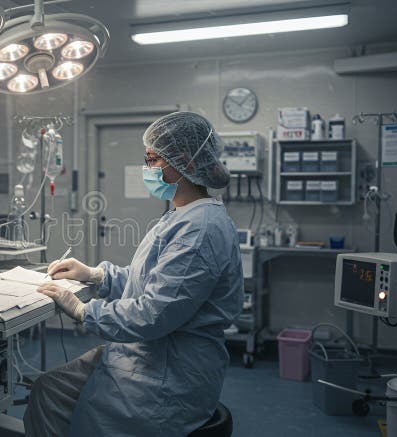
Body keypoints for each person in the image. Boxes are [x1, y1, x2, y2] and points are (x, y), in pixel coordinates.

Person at [24, 112, 244, 437]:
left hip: (166, 378)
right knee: (48, 389)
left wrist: (84, 310)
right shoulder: (180, 216)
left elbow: (154, 314)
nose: (147, 167)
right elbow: (152, 285)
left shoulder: (199, 230)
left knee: (69, 406)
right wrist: (97, 275)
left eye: (152, 159)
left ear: (181, 161)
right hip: (148, 358)